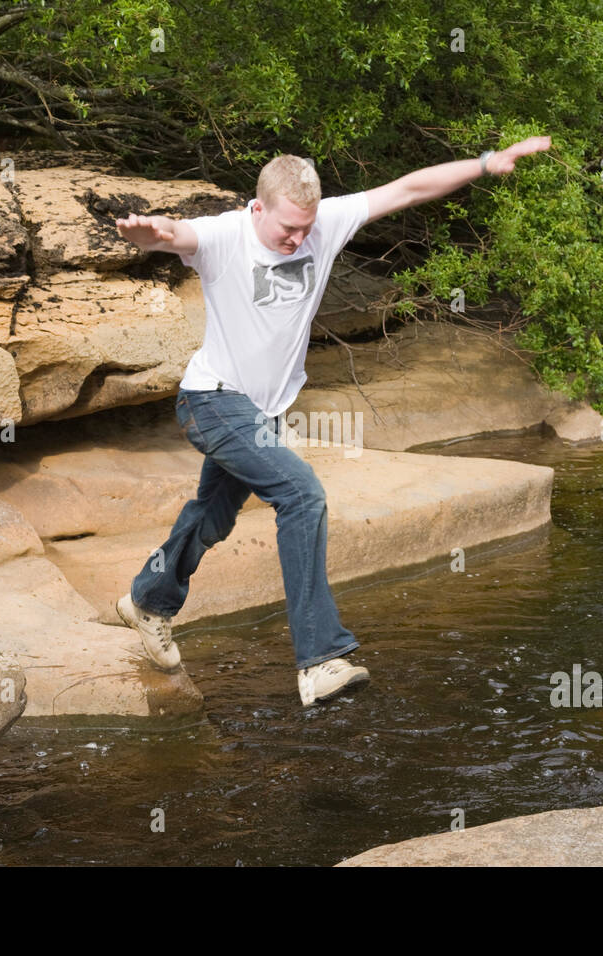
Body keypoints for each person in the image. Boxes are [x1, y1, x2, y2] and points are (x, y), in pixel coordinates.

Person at [114, 136, 551, 706]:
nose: (297, 239)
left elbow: (410, 188)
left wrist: (486, 164)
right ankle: (320, 659)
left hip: (260, 412)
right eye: (286, 229)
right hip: (212, 400)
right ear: (258, 207)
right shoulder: (225, 235)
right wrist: (156, 235)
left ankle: (148, 598)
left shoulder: (326, 222)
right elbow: (178, 233)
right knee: (302, 494)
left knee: (212, 518)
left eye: (305, 228)